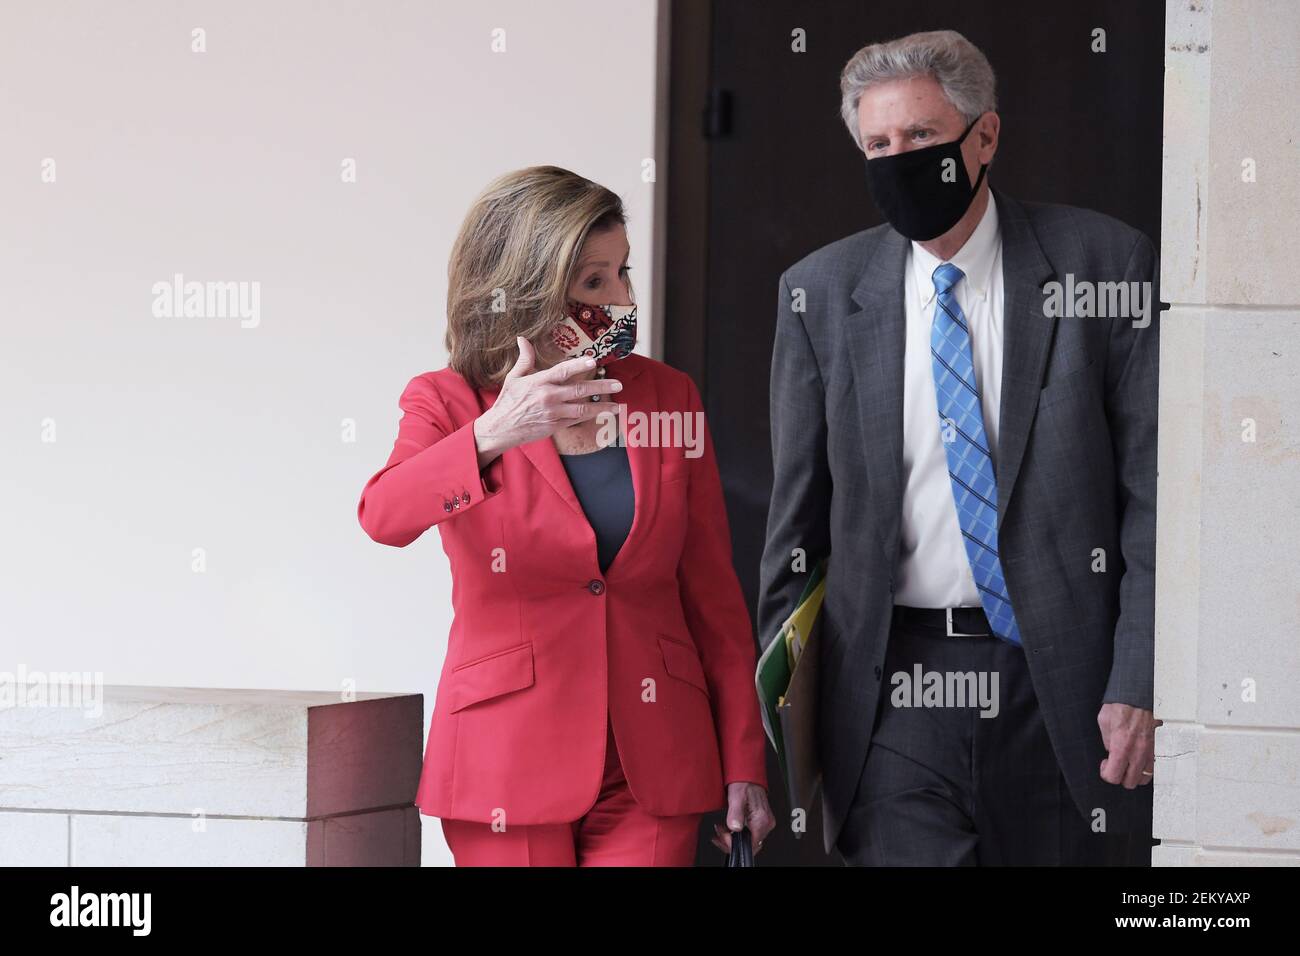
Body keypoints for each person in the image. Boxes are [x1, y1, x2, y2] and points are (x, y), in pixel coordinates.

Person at [757, 30, 1160, 865]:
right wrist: (781, 714)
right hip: (892, 690)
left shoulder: (1102, 263)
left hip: (1062, 684)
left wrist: (1139, 677)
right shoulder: (821, 294)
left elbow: (1156, 498)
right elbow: (795, 528)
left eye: (921, 138)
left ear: (985, 137)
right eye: (878, 144)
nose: (897, 159)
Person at [358, 165, 774, 866]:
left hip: (654, 760)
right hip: (506, 756)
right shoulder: (448, 400)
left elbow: (712, 595)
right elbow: (384, 515)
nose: (621, 299)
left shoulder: (668, 396)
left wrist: (744, 760)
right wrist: (495, 432)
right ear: (527, 289)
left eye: (623, 273)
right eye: (593, 282)